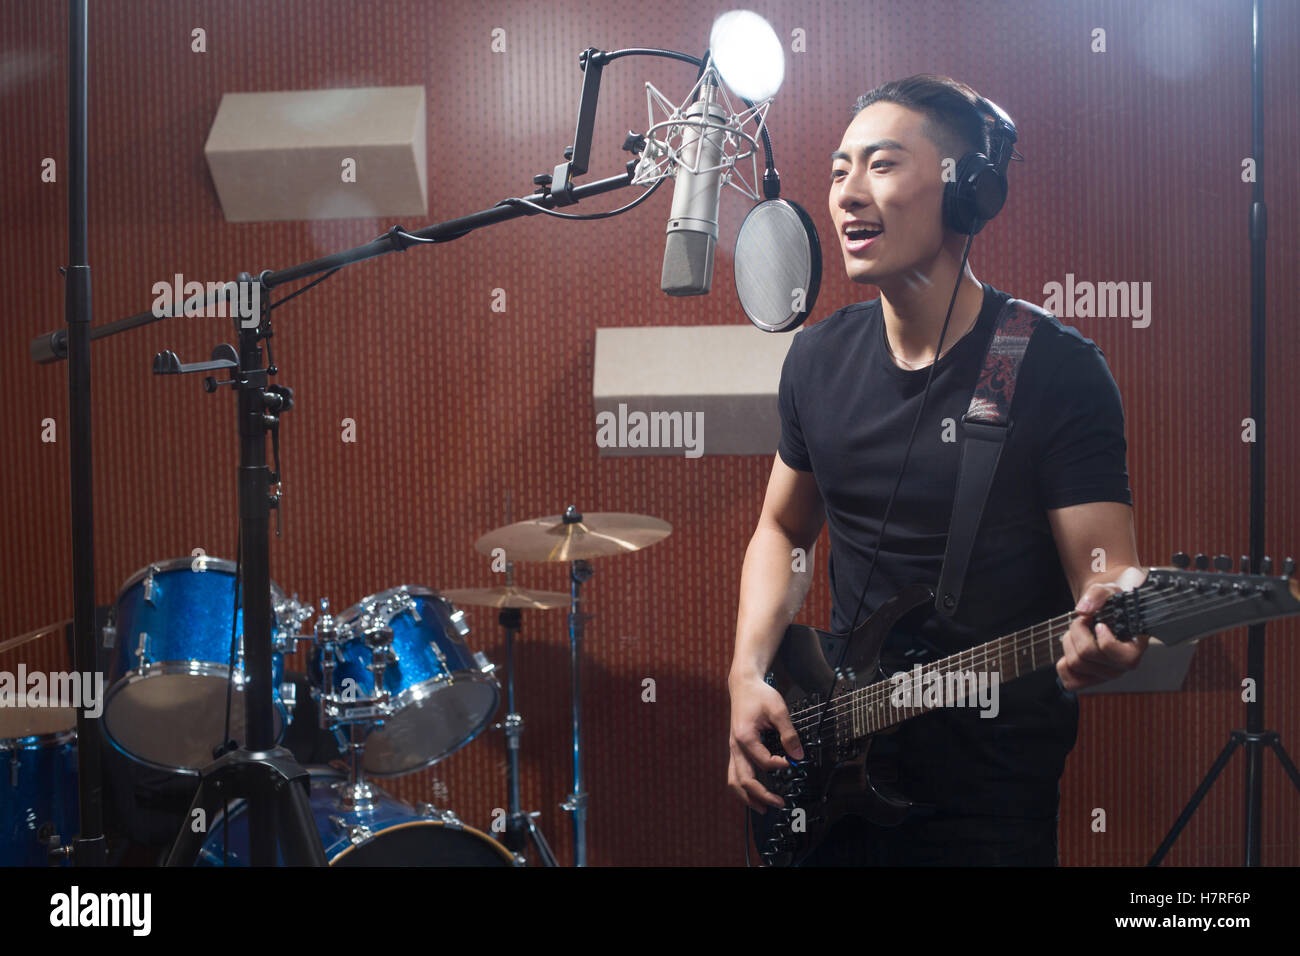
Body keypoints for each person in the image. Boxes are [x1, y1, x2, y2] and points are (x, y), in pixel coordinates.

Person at [726, 74, 1150, 866]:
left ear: (970, 195)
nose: (848, 193)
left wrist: (1116, 617)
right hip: (830, 770)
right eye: (839, 168)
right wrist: (748, 672)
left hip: (987, 800)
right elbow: (783, 527)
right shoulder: (816, 358)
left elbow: (1111, 571)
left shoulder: (1054, 369)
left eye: (882, 165)